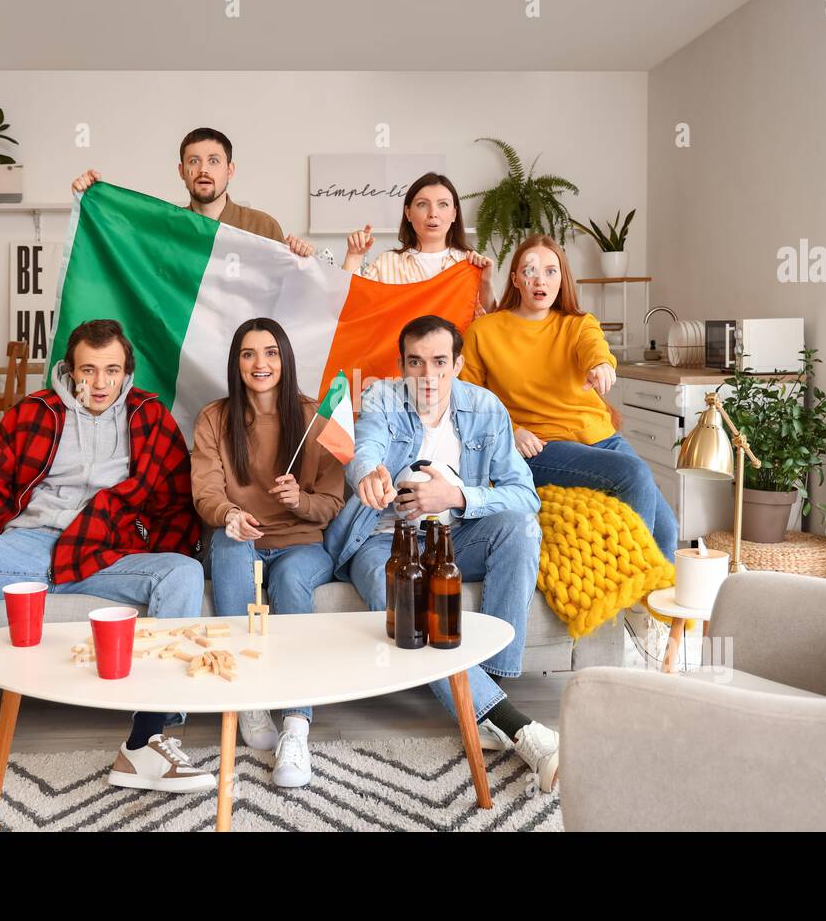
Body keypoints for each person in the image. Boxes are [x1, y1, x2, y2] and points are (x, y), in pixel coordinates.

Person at [0, 319, 215, 794]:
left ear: (127, 373)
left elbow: (174, 503)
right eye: (88, 370)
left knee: (182, 573)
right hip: (28, 545)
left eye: (112, 370)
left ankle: (146, 741)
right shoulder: (34, 413)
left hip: (108, 550)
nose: (100, 383)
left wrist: (142, 534)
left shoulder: (150, 417)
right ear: (70, 369)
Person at [323, 315, 562, 791]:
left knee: (521, 529)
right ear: (401, 365)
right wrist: (369, 476)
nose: (427, 377)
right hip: (382, 538)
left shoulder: (486, 409)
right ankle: (513, 724)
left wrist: (456, 497)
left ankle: (490, 689)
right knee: (399, 585)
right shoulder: (382, 398)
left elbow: (524, 494)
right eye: (415, 363)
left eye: (438, 363)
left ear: (458, 364)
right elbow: (366, 448)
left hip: (455, 536)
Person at [191, 319, 345, 788]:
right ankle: (249, 698)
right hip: (242, 537)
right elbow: (205, 491)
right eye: (249, 354)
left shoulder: (316, 416)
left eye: (271, 353)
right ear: (236, 363)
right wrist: (228, 514)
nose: (261, 364)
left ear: (286, 360)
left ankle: (296, 723)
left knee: (291, 580)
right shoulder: (214, 418)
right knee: (229, 543)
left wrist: (299, 501)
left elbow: (332, 503)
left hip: (300, 543)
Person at [461, 234, 678, 560]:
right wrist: (511, 431)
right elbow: (470, 400)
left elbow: (594, 347)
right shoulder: (485, 331)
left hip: (602, 440)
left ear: (562, 280)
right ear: (516, 278)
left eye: (551, 271)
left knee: (668, 530)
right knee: (633, 475)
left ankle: (652, 607)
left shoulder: (578, 324)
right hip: (542, 445)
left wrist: (602, 365)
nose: (540, 280)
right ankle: (635, 578)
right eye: (530, 270)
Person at [71, 126, 315, 256]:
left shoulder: (263, 227)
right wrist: (92, 198)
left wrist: (303, 261)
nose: (203, 170)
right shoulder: (167, 228)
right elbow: (122, 248)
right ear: (181, 170)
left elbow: (285, 293)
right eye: (194, 161)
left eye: (213, 161)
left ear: (230, 170)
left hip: (243, 348)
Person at [341, 172, 496, 314]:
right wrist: (353, 257)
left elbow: (490, 322)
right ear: (408, 213)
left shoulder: (469, 264)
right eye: (422, 204)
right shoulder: (387, 263)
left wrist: (485, 283)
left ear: (454, 213)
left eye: (443, 204)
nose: (433, 214)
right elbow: (351, 309)